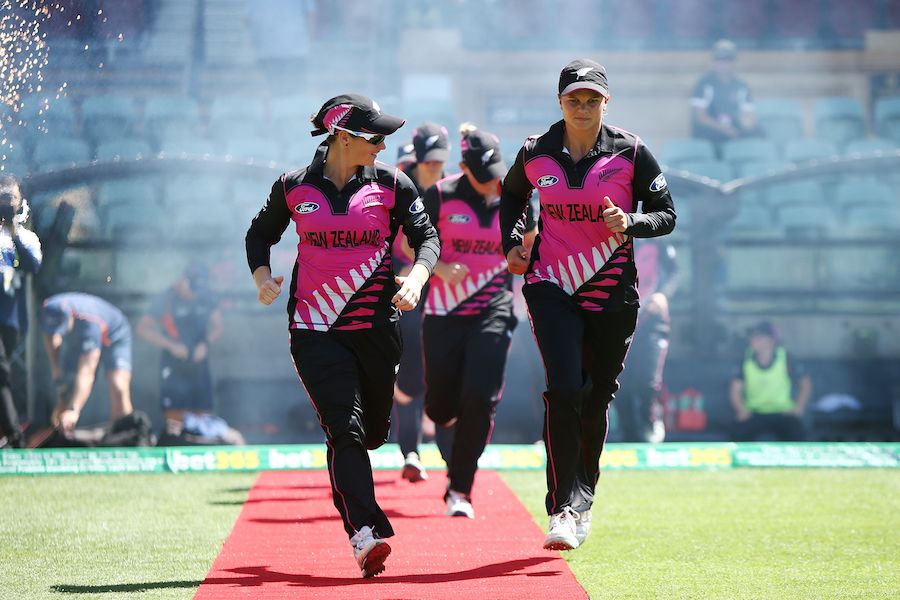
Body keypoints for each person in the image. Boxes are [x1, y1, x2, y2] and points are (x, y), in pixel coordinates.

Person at [245, 93, 440, 579]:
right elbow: (259, 235)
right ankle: (363, 535)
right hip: (314, 330)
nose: (382, 145)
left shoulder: (394, 185)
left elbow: (428, 238)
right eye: (374, 137)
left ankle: (358, 506)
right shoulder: (292, 186)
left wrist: (416, 278)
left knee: (370, 434)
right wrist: (263, 278)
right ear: (343, 136)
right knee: (344, 429)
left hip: (377, 330)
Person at [499, 59, 676, 551]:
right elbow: (512, 196)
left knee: (595, 398)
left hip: (612, 291)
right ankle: (562, 509)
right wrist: (513, 240)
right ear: (560, 102)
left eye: (592, 99)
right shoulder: (536, 152)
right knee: (563, 387)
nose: (583, 107)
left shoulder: (632, 151)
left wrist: (631, 223)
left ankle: (583, 500)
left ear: (606, 102)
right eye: (574, 99)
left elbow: (666, 216)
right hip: (550, 283)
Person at [421, 123, 530, 518]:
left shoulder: (517, 198)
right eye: (482, 176)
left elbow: (531, 244)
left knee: (481, 397)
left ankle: (460, 489)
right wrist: (440, 266)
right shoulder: (440, 195)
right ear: (464, 169)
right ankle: (453, 459)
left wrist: (525, 267)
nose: (490, 184)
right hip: (443, 314)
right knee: (440, 408)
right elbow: (408, 242)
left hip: (494, 308)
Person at [391, 121, 450, 483]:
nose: (431, 167)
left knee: (440, 369)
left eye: (437, 161)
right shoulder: (402, 185)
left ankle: (446, 454)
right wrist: (438, 267)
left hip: (444, 292)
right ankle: (410, 450)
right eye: (426, 161)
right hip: (406, 287)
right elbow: (403, 245)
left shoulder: (453, 188)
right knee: (409, 370)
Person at [136, 265, 242, 445]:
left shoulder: (207, 297)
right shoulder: (166, 298)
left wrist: (205, 344)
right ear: (182, 281)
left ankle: (203, 452)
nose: (194, 294)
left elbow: (218, 327)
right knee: (175, 419)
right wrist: (171, 346)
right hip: (173, 364)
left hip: (199, 362)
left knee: (204, 415)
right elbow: (143, 329)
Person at [40, 292, 134, 433]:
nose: (57, 334)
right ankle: (59, 434)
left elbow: (87, 373)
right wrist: (56, 368)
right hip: (78, 337)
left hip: (115, 337)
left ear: (70, 317)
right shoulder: (48, 308)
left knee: (118, 386)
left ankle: (126, 435)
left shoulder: (90, 323)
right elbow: (49, 336)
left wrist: (74, 410)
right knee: (67, 386)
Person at [615, 239, 679, 443]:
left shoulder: (657, 241)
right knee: (618, 381)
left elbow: (674, 272)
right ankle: (628, 432)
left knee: (646, 381)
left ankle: (649, 421)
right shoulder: (612, 239)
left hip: (652, 322)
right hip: (619, 320)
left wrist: (663, 295)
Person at [0, 175, 41, 448]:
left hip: (10, 319)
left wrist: (13, 231)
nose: (6, 203)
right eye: (1, 197)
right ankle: (14, 434)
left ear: (19, 201)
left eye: (10, 197)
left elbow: (33, 266)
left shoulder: (25, 236)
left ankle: (11, 433)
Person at [730, 320, 811, 441]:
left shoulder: (786, 358)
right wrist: (741, 410)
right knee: (737, 435)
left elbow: (805, 383)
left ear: (772, 340)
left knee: (797, 434)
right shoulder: (744, 360)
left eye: (759, 337)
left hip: (783, 413)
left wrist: (799, 407)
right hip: (754, 413)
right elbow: (735, 390)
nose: (754, 340)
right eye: (753, 337)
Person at [690, 39, 758, 154]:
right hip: (710, 135)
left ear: (733, 62)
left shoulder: (741, 85)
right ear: (714, 61)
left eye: (727, 60)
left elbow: (748, 115)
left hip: (734, 132)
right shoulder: (704, 84)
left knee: (758, 135)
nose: (723, 64)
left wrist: (747, 124)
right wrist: (725, 129)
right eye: (719, 59)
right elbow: (701, 117)